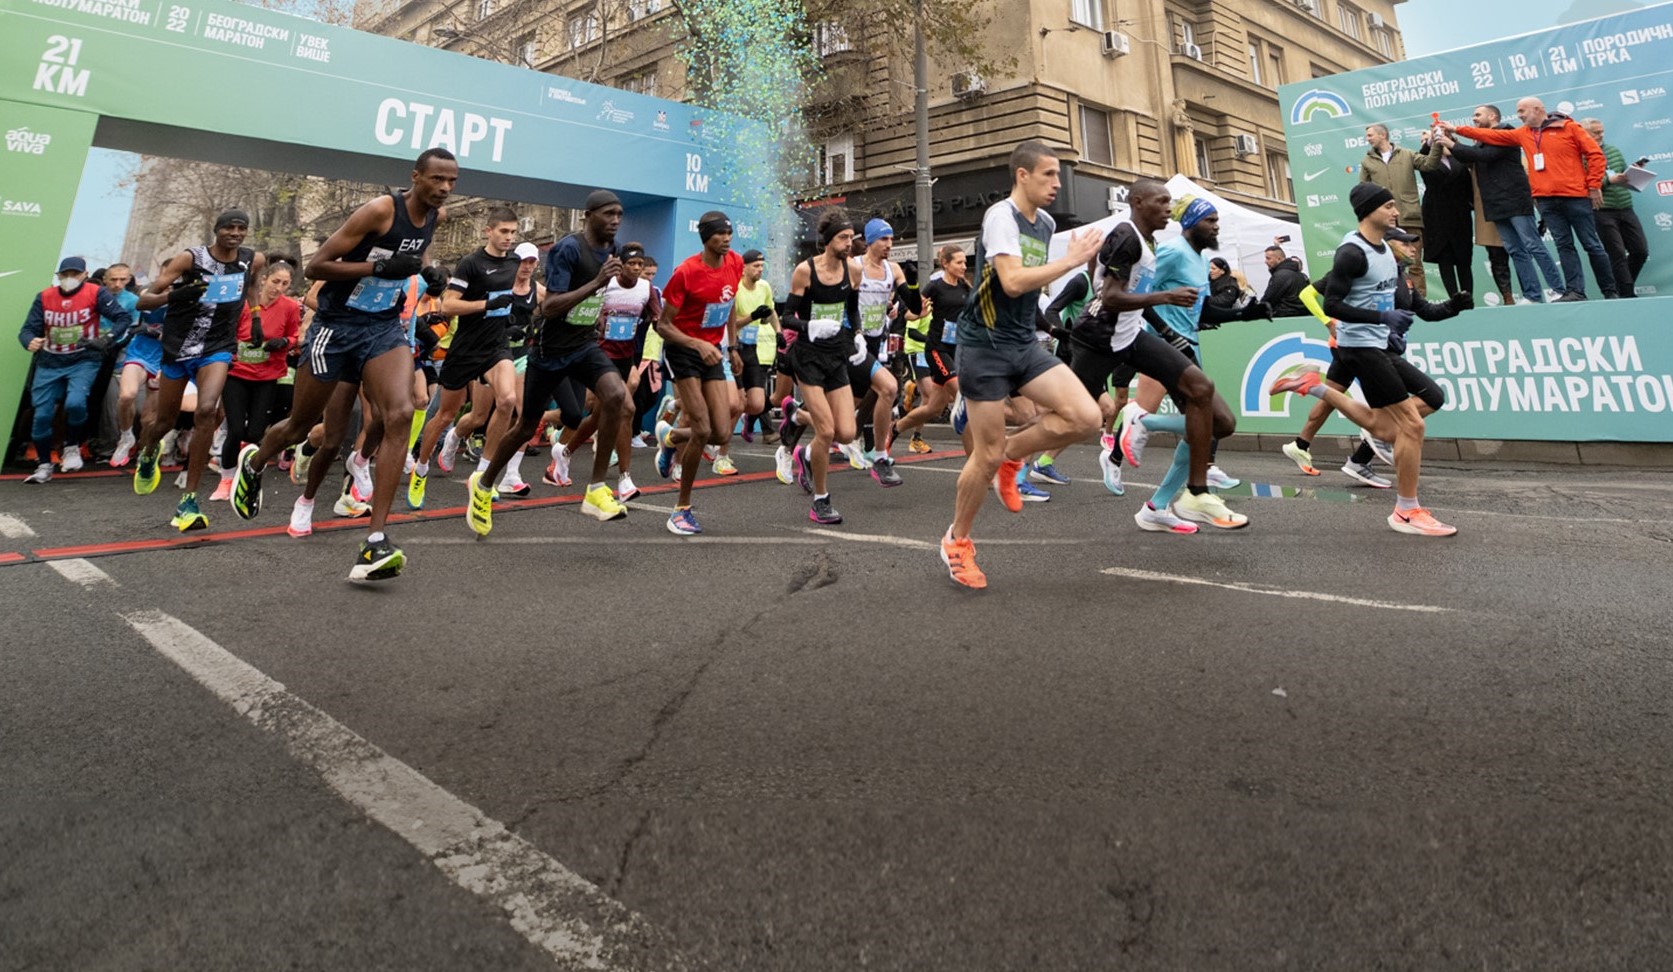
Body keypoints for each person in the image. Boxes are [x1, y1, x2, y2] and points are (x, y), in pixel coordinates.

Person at [232, 148, 456, 581]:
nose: (445, 189)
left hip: (383, 328)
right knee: (301, 426)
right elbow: (318, 266)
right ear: (416, 177)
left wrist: (429, 271)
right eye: (437, 180)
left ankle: (374, 543)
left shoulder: (436, 216)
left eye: (452, 182)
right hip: (336, 329)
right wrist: (379, 265)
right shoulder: (378, 211)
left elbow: (420, 250)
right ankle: (256, 462)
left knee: (400, 414)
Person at [940, 141, 1103, 589]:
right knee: (983, 454)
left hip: (1023, 342)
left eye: (1058, 175)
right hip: (984, 345)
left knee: (1086, 416)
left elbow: (1030, 287)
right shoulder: (1000, 217)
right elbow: (1012, 282)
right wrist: (1071, 262)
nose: (1057, 183)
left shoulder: (1046, 223)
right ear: (1022, 176)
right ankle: (958, 540)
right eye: (1049, 174)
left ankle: (1012, 461)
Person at [1270, 183, 1472, 537]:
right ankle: (1406, 510)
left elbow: (1422, 308)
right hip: (1357, 346)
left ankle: (1315, 387)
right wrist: (1383, 319)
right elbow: (1331, 304)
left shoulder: (1390, 261)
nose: (1396, 212)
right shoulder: (1352, 253)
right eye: (1390, 206)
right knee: (1412, 426)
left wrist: (1454, 305)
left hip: (1378, 347)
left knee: (1387, 426)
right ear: (1370, 211)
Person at [1111, 193, 1255, 528]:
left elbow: (1200, 308)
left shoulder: (1199, 258)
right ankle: (1143, 424)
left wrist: (1248, 314)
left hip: (1191, 344)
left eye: (1217, 220)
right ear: (1190, 222)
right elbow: (1136, 291)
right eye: (1210, 220)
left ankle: (1157, 506)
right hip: (1166, 347)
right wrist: (1160, 328)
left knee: (1206, 429)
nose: (1216, 226)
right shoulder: (1174, 251)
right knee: (1214, 424)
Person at [131, 211, 265, 531]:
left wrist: (256, 316)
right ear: (216, 230)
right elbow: (143, 301)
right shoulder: (190, 259)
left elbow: (253, 285)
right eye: (229, 228)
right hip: (179, 347)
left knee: (207, 411)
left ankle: (189, 499)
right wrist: (175, 295)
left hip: (217, 346)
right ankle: (149, 451)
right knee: (163, 421)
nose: (235, 233)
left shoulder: (252, 259)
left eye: (241, 228)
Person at [1444, 98, 1616, 300]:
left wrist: (1594, 185)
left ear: (1537, 109)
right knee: (1564, 246)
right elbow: (1487, 134)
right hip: (1546, 200)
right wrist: (1455, 129)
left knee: (1591, 244)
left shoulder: (1569, 127)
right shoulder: (1523, 133)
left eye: (1522, 111)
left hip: (1575, 197)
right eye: (1518, 112)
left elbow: (1595, 154)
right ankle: (1575, 292)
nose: (1519, 115)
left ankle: (1609, 291)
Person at [410, 207, 524, 508]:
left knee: (508, 401)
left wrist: (512, 320)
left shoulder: (514, 262)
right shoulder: (471, 263)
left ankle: (484, 476)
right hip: (465, 349)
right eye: (503, 232)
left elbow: (516, 298)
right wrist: (487, 304)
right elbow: (448, 305)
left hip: (496, 346)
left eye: (513, 232)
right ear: (488, 230)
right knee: (446, 414)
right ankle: (420, 469)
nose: (508, 238)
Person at [651, 210, 745, 535]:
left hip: (711, 352)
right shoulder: (687, 273)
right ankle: (681, 509)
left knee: (722, 433)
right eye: (720, 234)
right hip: (682, 351)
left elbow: (729, 303)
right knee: (703, 429)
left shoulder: (735, 263)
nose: (727, 238)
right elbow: (663, 325)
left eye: (729, 233)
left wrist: (732, 347)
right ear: (706, 237)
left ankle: (671, 436)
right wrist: (695, 343)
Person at [779, 209, 865, 524]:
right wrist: (808, 327)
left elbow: (852, 311)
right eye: (844, 238)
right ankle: (821, 499)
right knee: (826, 431)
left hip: (836, 355)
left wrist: (857, 335)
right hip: (809, 357)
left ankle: (804, 452)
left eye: (851, 238)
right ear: (828, 241)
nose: (849, 243)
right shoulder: (805, 271)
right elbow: (787, 315)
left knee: (846, 431)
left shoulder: (853, 271)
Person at [17, 256, 134, 483]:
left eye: (75, 274)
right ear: (59, 276)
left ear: (84, 275)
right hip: (49, 362)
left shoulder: (95, 293)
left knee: (75, 403)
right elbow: (27, 330)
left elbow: (123, 318)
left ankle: (71, 446)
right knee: (42, 416)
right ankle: (44, 465)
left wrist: (107, 339)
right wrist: (29, 341)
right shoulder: (44, 297)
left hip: (83, 360)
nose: (70, 278)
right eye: (66, 274)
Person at [212, 259, 300, 500]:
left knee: (254, 433)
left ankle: (246, 473)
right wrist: (235, 350)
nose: (279, 288)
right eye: (275, 281)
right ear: (263, 280)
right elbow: (225, 334)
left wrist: (284, 343)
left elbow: (294, 336)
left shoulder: (290, 307)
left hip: (268, 376)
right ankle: (225, 480)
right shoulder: (244, 305)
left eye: (285, 284)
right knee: (236, 429)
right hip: (237, 374)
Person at [847, 219, 915, 486]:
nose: (889, 245)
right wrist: (855, 332)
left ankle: (803, 432)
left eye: (891, 240)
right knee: (887, 388)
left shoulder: (893, 269)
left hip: (875, 341)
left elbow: (914, 306)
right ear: (871, 241)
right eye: (884, 239)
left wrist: (912, 284)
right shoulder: (855, 266)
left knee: (862, 400)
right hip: (852, 342)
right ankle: (878, 455)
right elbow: (847, 305)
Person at [1358, 123, 1437, 296]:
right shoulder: (1367, 161)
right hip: (1385, 223)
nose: (1367, 138)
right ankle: (1393, 302)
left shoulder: (1407, 154)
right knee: (1386, 263)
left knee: (1414, 264)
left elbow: (1430, 164)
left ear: (1383, 135)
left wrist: (1436, 143)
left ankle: (1419, 303)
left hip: (1410, 217)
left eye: (1370, 135)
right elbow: (1363, 191)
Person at [1583, 117, 1649, 299]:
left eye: (1602, 131)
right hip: (1602, 210)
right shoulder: (1579, 155)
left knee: (1640, 251)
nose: (1601, 135)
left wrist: (1633, 172)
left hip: (1626, 207)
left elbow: (1621, 175)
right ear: (1584, 133)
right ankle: (1627, 295)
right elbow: (1582, 184)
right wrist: (1608, 180)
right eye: (1596, 132)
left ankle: (1622, 290)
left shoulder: (1613, 150)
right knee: (1617, 254)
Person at [1415, 130, 1476, 299]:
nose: (1426, 142)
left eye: (1427, 139)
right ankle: (1454, 298)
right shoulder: (1425, 162)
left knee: (1463, 258)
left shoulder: (1458, 159)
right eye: (1424, 140)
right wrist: (1429, 143)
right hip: (1436, 214)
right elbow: (1424, 153)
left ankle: (1468, 297)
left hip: (1460, 213)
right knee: (1445, 258)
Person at [731, 249, 780, 447]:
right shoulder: (736, 288)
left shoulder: (764, 287)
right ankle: (720, 449)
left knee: (757, 403)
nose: (760, 270)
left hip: (752, 347)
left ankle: (746, 421)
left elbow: (770, 312)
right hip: (734, 347)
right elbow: (731, 325)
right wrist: (752, 316)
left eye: (762, 266)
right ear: (743, 268)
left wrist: (778, 332)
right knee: (737, 402)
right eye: (755, 266)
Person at [1260, 245, 1309, 318]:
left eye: (1268, 258)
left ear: (1279, 259)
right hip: (1304, 316)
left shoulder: (1280, 276)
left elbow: (1269, 299)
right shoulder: (1302, 275)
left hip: (1284, 317)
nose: (1265, 261)